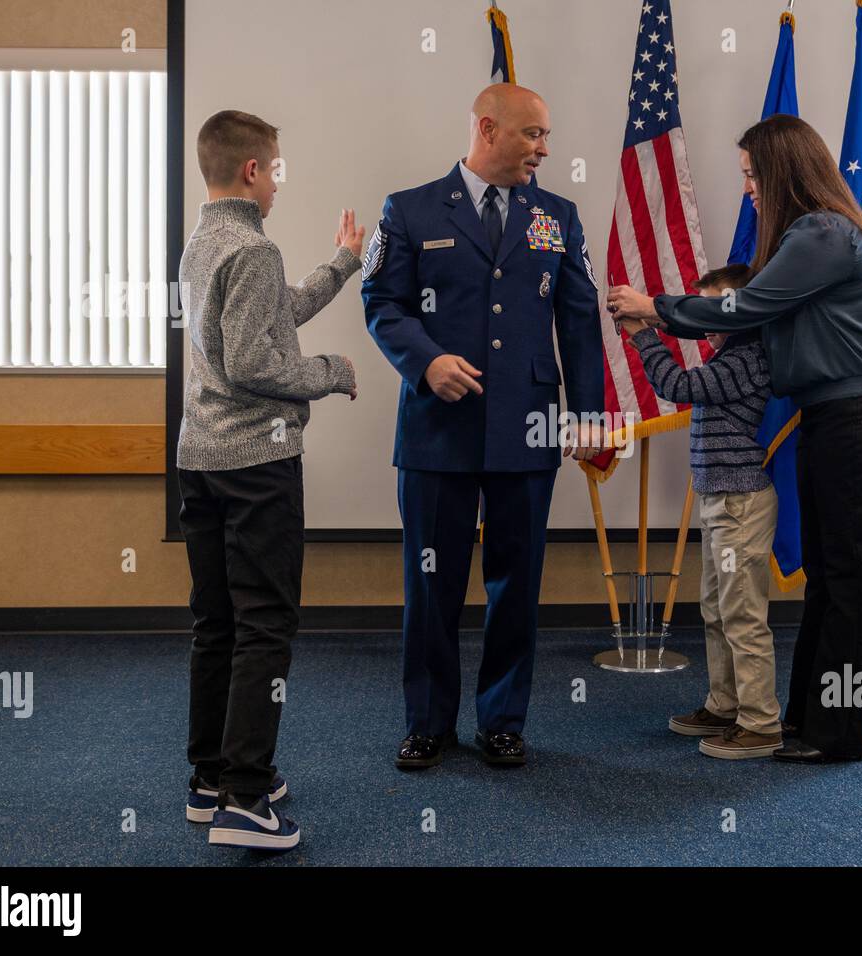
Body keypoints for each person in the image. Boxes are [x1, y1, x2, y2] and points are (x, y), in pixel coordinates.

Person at [607, 113, 862, 764]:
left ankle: (838, 737)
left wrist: (654, 309)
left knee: (853, 578)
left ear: (781, 170)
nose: (748, 188)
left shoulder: (823, 232)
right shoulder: (812, 235)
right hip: (834, 412)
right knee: (829, 577)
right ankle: (809, 723)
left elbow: (744, 309)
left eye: (752, 174)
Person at [362, 83, 604, 770]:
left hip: (527, 429)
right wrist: (426, 359)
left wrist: (586, 411)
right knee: (431, 582)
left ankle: (502, 719)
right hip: (438, 428)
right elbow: (382, 302)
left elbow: (579, 318)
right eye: (532, 134)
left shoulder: (556, 216)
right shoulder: (408, 210)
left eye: (546, 136)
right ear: (488, 128)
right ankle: (428, 721)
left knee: (516, 584)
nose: (544, 149)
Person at [177, 109, 365, 850]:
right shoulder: (252, 247)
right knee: (264, 627)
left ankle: (211, 777)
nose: (280, 181)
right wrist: (332, 373)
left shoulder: (203, 241)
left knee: (217, 624)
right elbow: (261, 363)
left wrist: (341, 263)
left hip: (202, 463)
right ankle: (247, 800)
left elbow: (270, 319)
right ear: (252, 170)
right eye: (277, 168)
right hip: (256, 465)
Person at [619, 263, 783, 760]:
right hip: (721, 500)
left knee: (742, 613)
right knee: (716, 609)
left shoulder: (748, 358)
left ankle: (760, 722)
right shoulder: (731, 350)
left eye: (716, 308)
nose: (707, 320)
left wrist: (643, 335)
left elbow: (676, 385)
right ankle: (725, 703)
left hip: (740, 503)